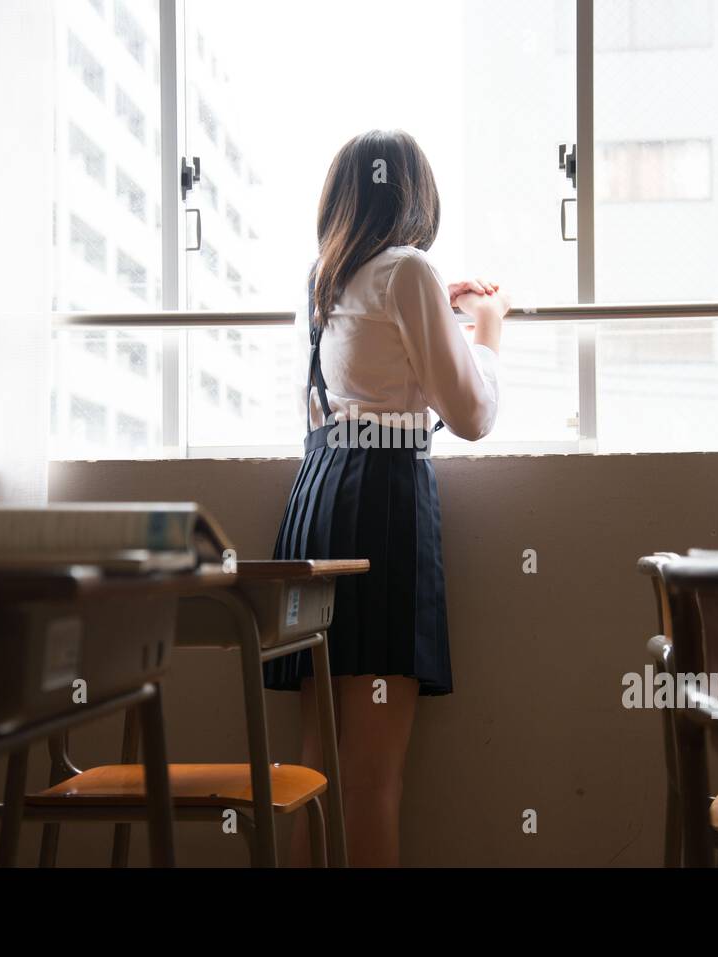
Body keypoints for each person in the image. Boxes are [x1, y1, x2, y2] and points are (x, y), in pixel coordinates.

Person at [263, 129, 509, 866]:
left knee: (317, 769)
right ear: (415, 197)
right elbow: (471, 416)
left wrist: (439, 307)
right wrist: (488, 332)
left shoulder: (324, 278)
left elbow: (341, 394)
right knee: (374, 778)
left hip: (319, 501)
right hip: (381, 508)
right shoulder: (408, 271)